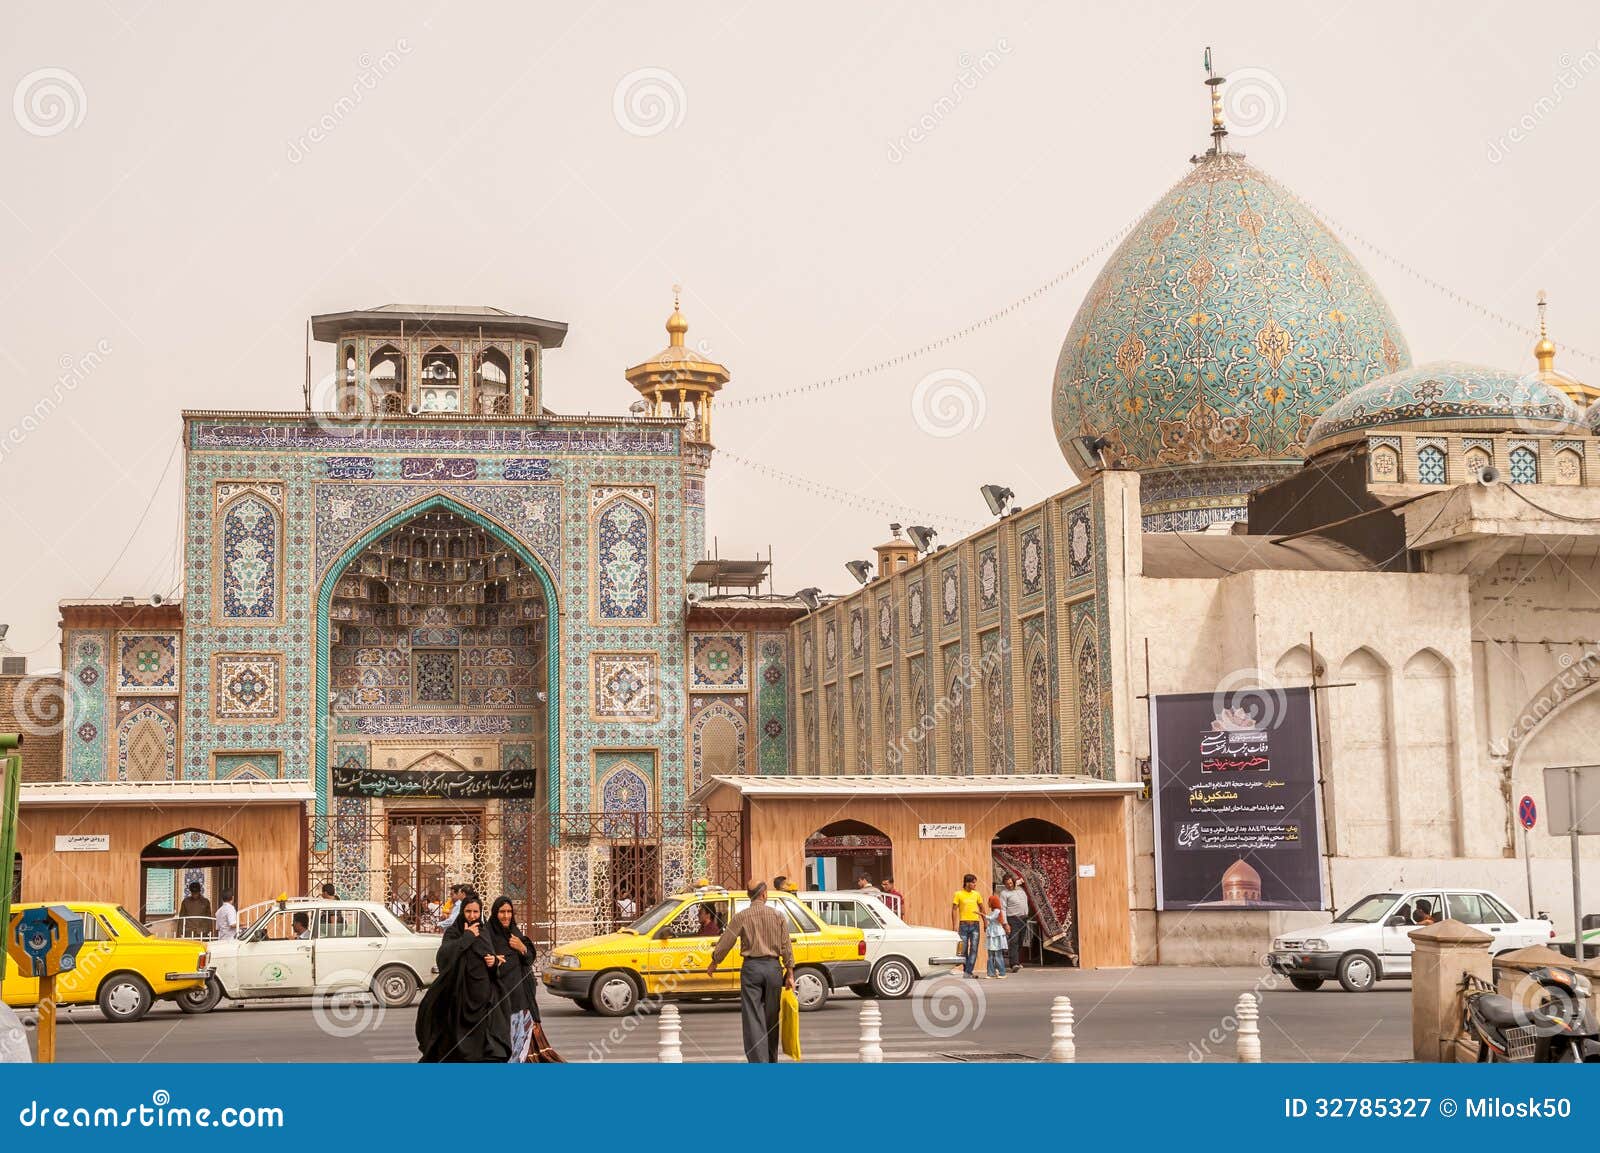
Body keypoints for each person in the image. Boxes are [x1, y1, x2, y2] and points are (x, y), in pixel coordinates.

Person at [415, 896, 510, 1062]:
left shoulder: (484, 931)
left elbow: (490, 957)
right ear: (462, 912)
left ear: (480, 913)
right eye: (468, 911)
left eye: (475, 912)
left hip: (481, 994)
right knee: (456, 1041)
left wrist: (493, 961)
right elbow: (443, 958)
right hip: (460, 993)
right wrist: (467, 937)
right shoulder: (453, 932)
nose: (472, 915)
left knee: (484, 1042)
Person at [707, 881, 794, 1063]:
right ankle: (771, 1060)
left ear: (750, 895)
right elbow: (786, 946)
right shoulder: (778, 916)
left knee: (753, 1018)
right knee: (771, 1018)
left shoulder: (742, 916)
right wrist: (790, 973)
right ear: (763, 894)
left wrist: (715, 961)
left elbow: (726, 940)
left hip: (752, 969)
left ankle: (758, 1062)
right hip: (773, 969)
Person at [485, 896, 541, 1063]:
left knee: (519, 1052)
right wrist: (493, 961)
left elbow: (529, 959)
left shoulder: (514, 933)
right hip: (498, 1004)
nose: (506, 916)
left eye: (509, 912)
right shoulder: (487, 935)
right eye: (502, 912)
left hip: (521, 1002)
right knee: (501, 1050)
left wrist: (521, 947)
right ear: (495, 913)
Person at [952, 874, 985, 978]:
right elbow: (954, 910)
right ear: (967, 883)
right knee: (964, 949)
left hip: (975, 924)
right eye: (973, 882)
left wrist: (985, 922)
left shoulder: (977, 894)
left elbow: (982, 908)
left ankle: (968, 972)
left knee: (974, 948)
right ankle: (967, 971)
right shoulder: (958, 894)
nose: (975, 885)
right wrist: (954, 925)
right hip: (963, 925)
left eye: (975, 882)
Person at [1000, 874, 1030, 971]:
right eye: (1007, 884)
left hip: (1024, 918)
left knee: (1021, 940)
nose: (1009, 885)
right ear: (1004, 885)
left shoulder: (1020, 889)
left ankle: (1017, 961)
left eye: (1010, 883)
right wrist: (1005, 923)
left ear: (1013, 882)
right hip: (1013, 919)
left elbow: (1024, 879)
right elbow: (1002, 909)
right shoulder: (1004, 893)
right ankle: (1014, 964)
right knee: (1014, 941)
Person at [983, 894, 1009, 979]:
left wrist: (982, 914)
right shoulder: (993, 911)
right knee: (990, 954)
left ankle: (1002, 972)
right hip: (991, 933)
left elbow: (991, 918)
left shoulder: (997, 911)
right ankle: (991, 973)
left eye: (989, 901)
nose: (988, 903)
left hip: (997, 934)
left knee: (997, 954)